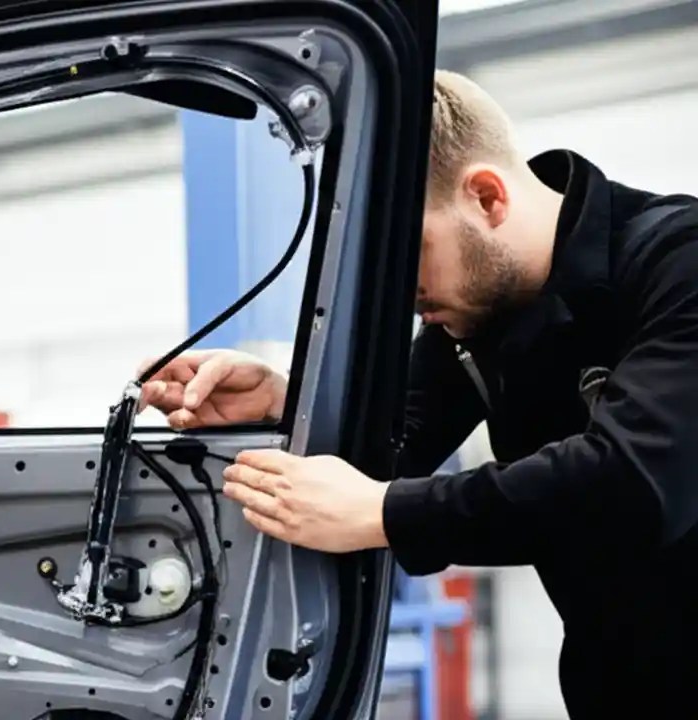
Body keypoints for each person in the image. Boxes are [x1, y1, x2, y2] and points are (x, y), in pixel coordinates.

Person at [139, 70, 698, 716]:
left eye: (417, 256)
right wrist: (285, 400)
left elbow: (630, 484)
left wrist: (385, 515)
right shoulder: (473, 314)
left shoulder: (676, 263)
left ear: (487, 198)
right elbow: (385, 448)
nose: (407, 298)